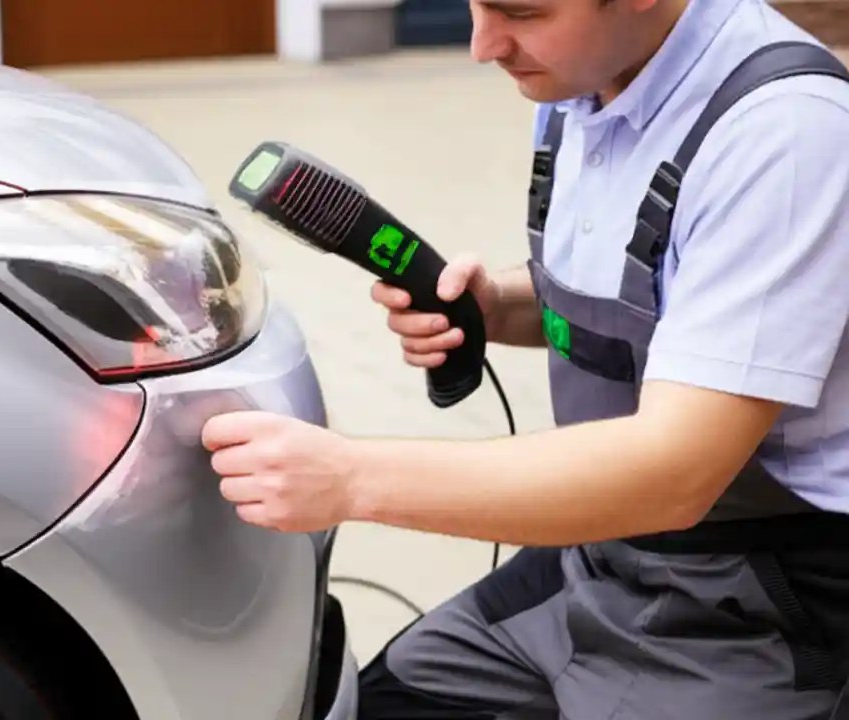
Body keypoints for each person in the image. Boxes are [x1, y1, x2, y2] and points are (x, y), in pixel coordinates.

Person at [200, 0, 849, 716]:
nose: (483, 45)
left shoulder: (785, 136)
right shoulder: (583, 77)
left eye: (521, 12)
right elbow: (662, 298)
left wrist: (351, 480)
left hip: (757, 607)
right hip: (598, 556)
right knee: (382, 704)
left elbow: (676, 472)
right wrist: (501, 305)